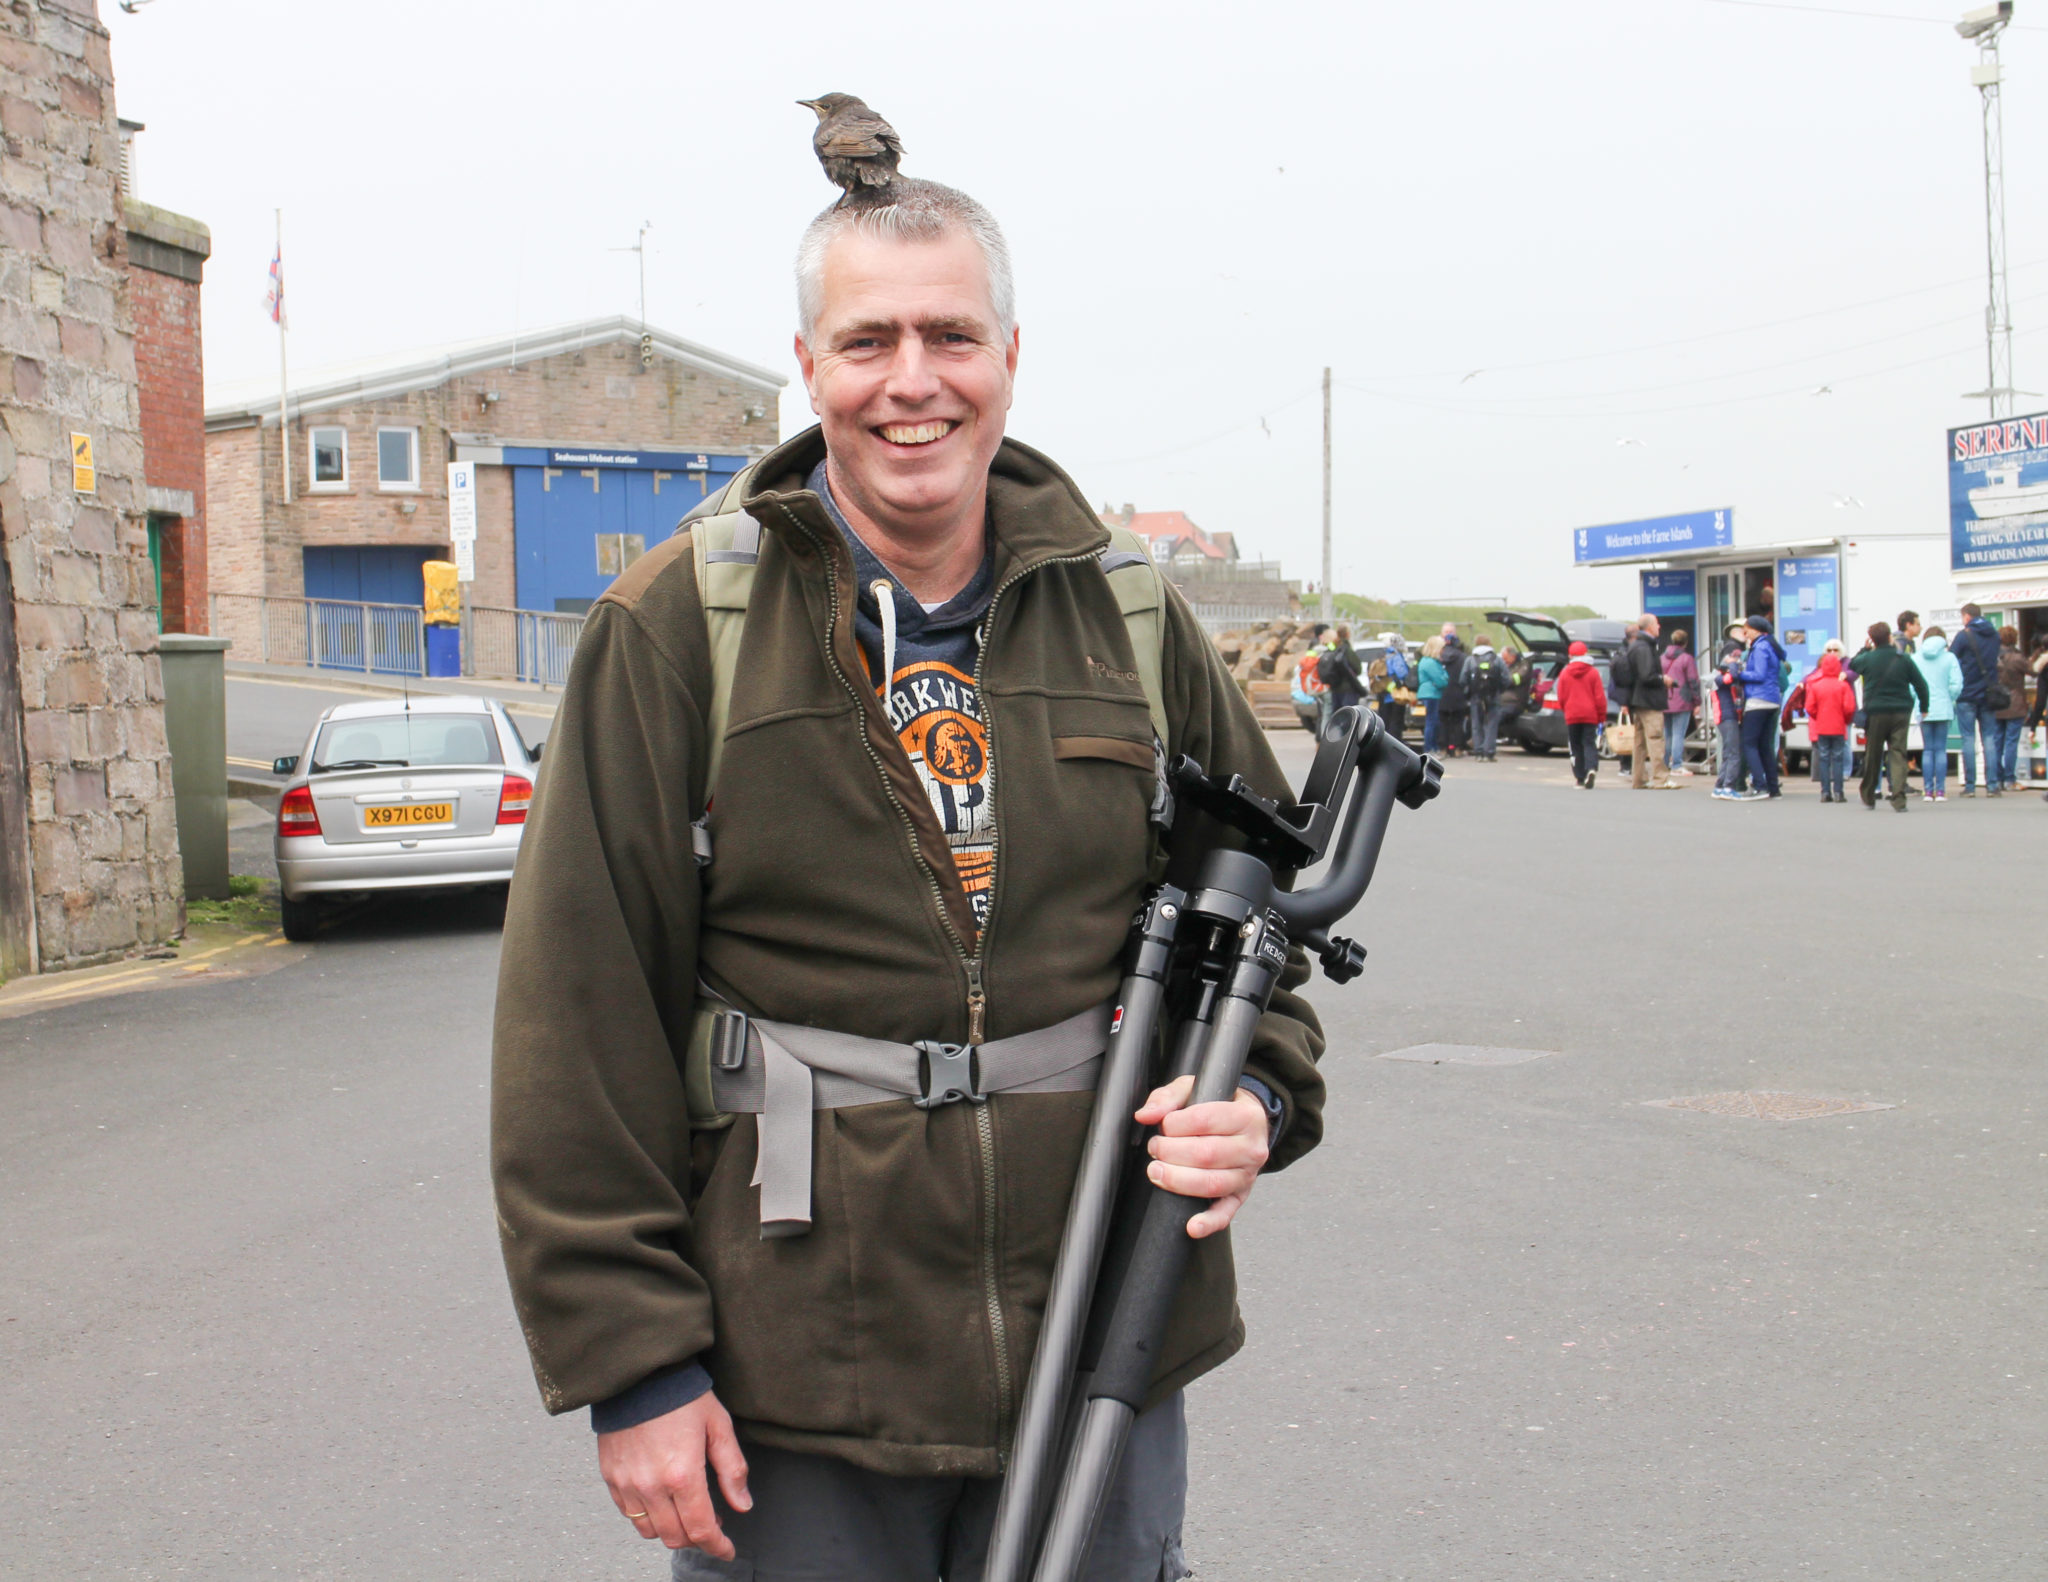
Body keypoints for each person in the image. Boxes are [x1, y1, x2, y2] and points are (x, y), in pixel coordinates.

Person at [490, 177, 1323, 1576]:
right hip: (798, 1369)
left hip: (1100, 1337)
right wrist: (632, 1364)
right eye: (867, 341)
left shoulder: (1127, 613)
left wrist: (1255, 1095)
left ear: (1010, 355)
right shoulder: (679, 626)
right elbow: (573, 1013)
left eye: (950, 335)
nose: (912, 381)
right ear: (807, 366)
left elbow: (1262, 919)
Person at [1850, 620, 1930, 812]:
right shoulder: (1903, 659)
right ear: (1889, 637)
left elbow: (1852, 664)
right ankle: (1899, 798)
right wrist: (1924, 706)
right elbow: (1921, 684)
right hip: (1901, 711)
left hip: (1876, 712)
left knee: (1873, 754)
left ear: (1873, 640)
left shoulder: (1868, 658)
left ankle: (1869, 795)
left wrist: (1864, 649)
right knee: (1898, 754)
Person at [1616, 614, 1676, 789]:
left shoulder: (1637, 645)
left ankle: (1639, 779)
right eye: (1656, 624)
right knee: (1655, 738)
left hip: (1638, 699)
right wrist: (1663, 679)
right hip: (1649, 700)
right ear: (1649, 627)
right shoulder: (1644, 647)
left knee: (1640, 742)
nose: (1659, 627)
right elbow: (1646, 675)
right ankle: (1660, 778)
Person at [1950, 603, 2003, 797]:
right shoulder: (1994, 635)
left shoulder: (1963, 636)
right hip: (1989, 694)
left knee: (1968, 739)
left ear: (1966, 616)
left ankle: (1970, 786)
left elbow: (1952, 659)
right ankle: (1992, 785)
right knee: (1989, 739)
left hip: (1967, 693)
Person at [1736, 614, 1786, 800]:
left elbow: (1759, 674)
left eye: (1747, 630)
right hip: (1772, 700)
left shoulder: (1760, 648)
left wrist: (1739, 674)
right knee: (1765, 746)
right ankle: (1773, 788)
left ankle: (1759, 785)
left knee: (1749, 744)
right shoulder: (1769, 645)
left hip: (1758, 700)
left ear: (1756, 630)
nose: (1745, 633)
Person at [1911, 625, 1964, 801]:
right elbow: (1957, 684)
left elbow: (1911, 686)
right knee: (1940, 750)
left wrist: (1917, 700)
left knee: (1928, 750)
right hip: (1943, 708)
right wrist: (1949, 698)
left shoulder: (1916, 658)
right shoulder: (1950, 658)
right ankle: (1940, 791)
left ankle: (1928, 791)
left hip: (1923, 709)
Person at [1801, 652, 1858, 802]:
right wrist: (1845, 720)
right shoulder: (1843, 686)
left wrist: (1818, 716)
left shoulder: (1816, 685)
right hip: (1838, 726)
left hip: (1822, 726)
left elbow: (1809, 707)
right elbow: (1849, 707)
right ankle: (1839, 792)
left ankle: (1825, 792)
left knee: (1824, 758)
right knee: (1838, 758)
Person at [1554, 639, 1607, 789]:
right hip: (1590, 715)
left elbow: (1561, 696)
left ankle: (1580, 777)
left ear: (1571, 655)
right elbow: (1600, 698)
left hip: (1572, 715)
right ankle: (1591, 768)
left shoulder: (1565, 673)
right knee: (1589, 743)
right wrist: (1601, 717)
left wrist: (1566, 710)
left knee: (1575, 745)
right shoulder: (1593, 672)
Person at [1709, 625, 1748, 800]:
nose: (1737, 660)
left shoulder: (1719, 675)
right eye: (1733, 657)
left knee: (1727, 752)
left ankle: (1720, 786)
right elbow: (1730, 678)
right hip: (1726, 716)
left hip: (1727, 716)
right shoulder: (1717, 677)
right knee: (1734, 753)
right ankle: (1729, 786)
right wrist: (1733, 664)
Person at [1992, 624, 2028, 792]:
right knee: (2011, 742)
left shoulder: (1992, 657)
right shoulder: (2017, 658)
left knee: (1997, 743)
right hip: (2016, 703)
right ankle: (2009, 779)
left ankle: (1997, 779)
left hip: (1997, 703)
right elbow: (2034, 670)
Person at [1463, 635, 1508, 761]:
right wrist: (1499, 690)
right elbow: (1506, 678)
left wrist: (1469, 692)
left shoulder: (1470, 659)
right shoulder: (1497, 659)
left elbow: (1463, 679)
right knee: (1492, 724)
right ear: (1489, 643)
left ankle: (1478, 752)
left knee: (1476, 724)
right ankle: (1489, 752)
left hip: (1475, 697)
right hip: (1493, 696)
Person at [1661, 628, 1698, 777]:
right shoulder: (1687, 659)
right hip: (1682, 700)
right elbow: (1693, 681)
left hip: (1665, 699)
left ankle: (1664, 764)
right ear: (1685, 642)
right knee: (1678, 734)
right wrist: (1697, 701)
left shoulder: (1662, 657)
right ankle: (1677, 765)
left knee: (1667, 734)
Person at [1368, 634, 1413, 741]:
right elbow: (1401, 672)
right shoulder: (1396, 656)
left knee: (1385, 720)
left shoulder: (1384, 655)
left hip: (1383, 692)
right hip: (1395, 694)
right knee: (1396, 720)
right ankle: (1395, 742)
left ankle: (1384, 742)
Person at [1292, 622, 1331, 730]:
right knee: (1325, 713)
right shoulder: (1322, 646)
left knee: (1321, 713)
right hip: (1319, 683)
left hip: (1312, 684)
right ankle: (1322, 735)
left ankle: (1319, 735)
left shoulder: (1312, 644)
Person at [1437, 627, 1470, 757]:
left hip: (1441, 694)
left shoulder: (1439, 657)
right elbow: (1466, 677)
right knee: (1457, 722)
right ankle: (1457, 748)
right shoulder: (1463, 657)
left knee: (1443, 723)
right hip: (1458, 693)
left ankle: (1443, 748)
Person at [1322, 622, 1365, 717]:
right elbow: (1358, 669)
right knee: (1349, 717)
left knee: (1337, 717)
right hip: (1348, 689)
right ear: (1348, 634)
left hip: (1334, 688)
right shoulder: (1346, 650)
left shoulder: (1334, 648)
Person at [1418, 634, 1449, 755]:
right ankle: (1430, 748)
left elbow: (1443, 678)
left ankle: (1432, 747)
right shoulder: (1430, 663)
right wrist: (1443, 678)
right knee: (1432, 722)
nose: (1443, 650)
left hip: (1432, 693)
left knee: (1433, 721)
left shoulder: (1429, 661)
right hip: (1431, 694)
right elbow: (1442, 680)